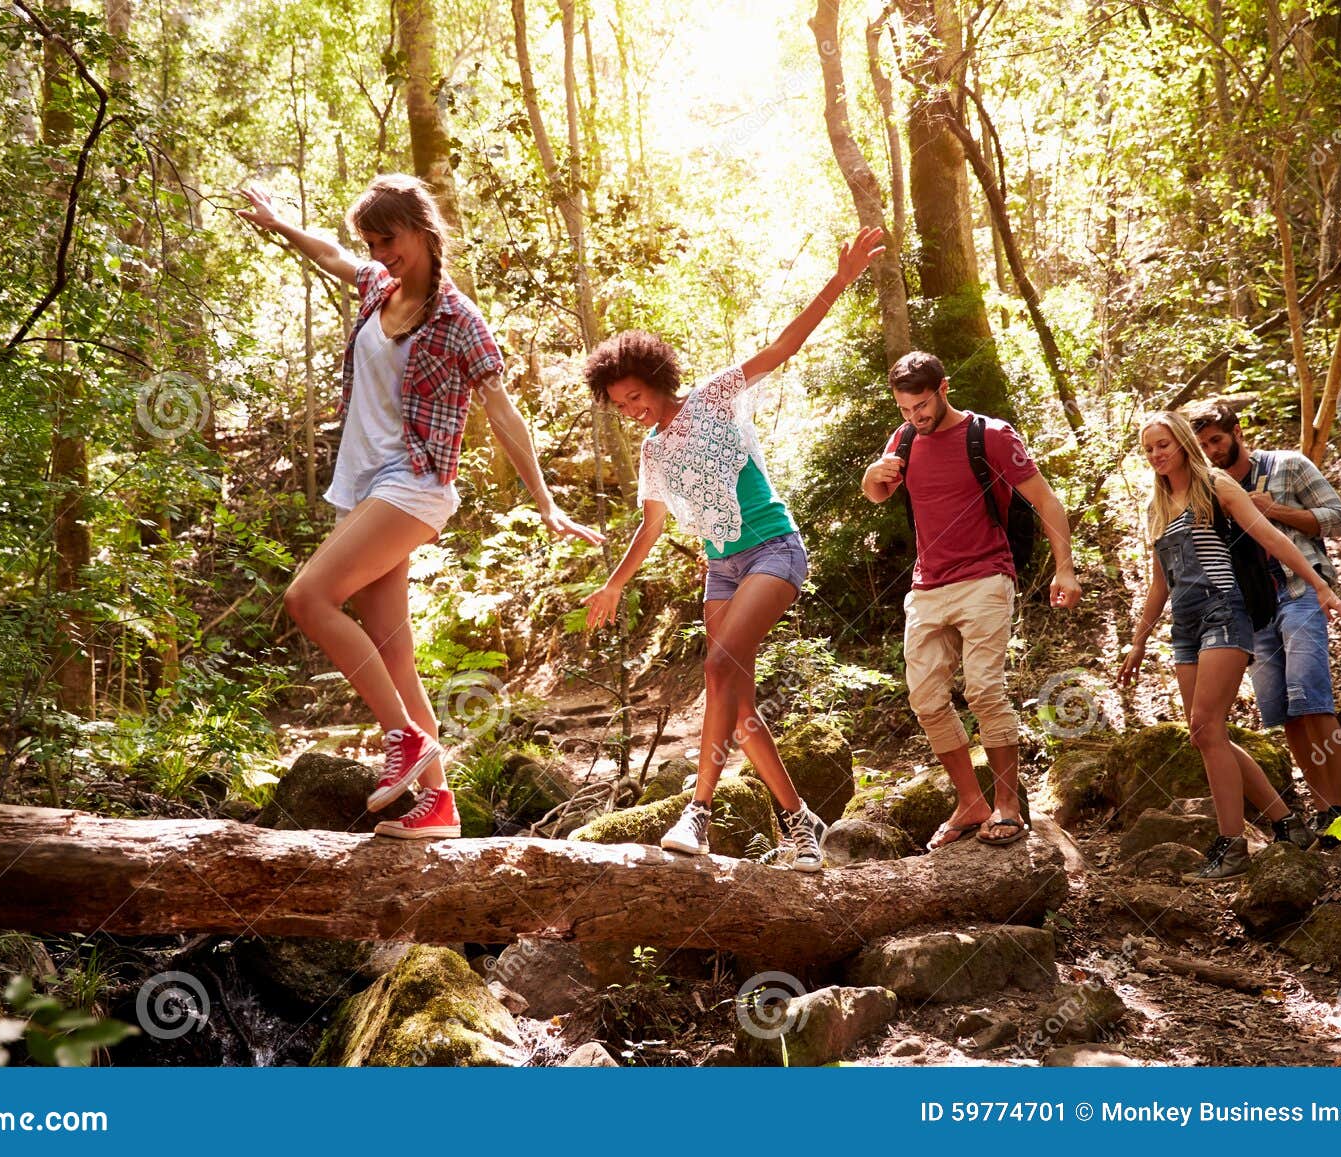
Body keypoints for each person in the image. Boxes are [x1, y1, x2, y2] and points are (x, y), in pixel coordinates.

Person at [237, 174, 602, 839]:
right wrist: (280, 223)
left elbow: (503, 413)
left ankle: (402, 739)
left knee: (308, 598)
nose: (380, 253)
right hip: (369, 487)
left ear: (423, 230)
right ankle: (440, 805)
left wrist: (545, 501)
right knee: (393, 652)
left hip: (415, 485)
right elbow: (330, 254)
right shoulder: (378, 286)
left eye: (389, 239)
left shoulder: (459, 319)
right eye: (372, 243)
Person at [581, 227, 886, 872]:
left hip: (774, 549)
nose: (630, 410)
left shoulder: (715, 396)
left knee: (718, 669)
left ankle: (699, 811)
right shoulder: (651, 450)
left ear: (657, 379)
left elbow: (783, 346)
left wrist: (841, 278)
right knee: (740, 711)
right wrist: (614, 583)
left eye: (634, 396)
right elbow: (653, 525)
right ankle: (799, 822)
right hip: (721, 568)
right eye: (619, 405)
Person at [1116, 413, 1341, 881]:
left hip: (1224, 614)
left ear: (1182, 443)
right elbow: (1160, 583)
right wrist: (1138, 641)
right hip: (1184, 627)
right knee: (1207, 735)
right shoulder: (1159, 504)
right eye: (1148, 449)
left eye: (1163, 444)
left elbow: (1270, 536)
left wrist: (1321, 586)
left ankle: (1233, 847)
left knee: (1208, 726)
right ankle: (1285, 822)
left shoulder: (1216, 485)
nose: (1156, 454)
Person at [862, 351, 1081, 851]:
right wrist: (873, 474)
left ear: (943, 387)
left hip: (986, 576)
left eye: (921, 406)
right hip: (927, 585)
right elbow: (876, 493)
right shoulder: (906, 440)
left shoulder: (992, 436)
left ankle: (1007, 804)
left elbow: (1047, 501)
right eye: (904, 410)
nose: (914, 417)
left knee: (983, 690)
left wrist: (1064, 567)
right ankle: (970, 802)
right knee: (926, 698)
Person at [1188, 399, 1341, 846]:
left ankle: (1339, 813)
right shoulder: (1207, 487)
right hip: (1251, 608)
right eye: (1202, 445)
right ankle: (1321, 809)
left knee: (1312, 697)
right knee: (1284, 711)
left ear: (1237, 432)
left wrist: (1273, 509)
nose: (1211, 450)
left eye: (1217, 440)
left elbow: (1338, 520)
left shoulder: (1288, 465)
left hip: (1298, 592)